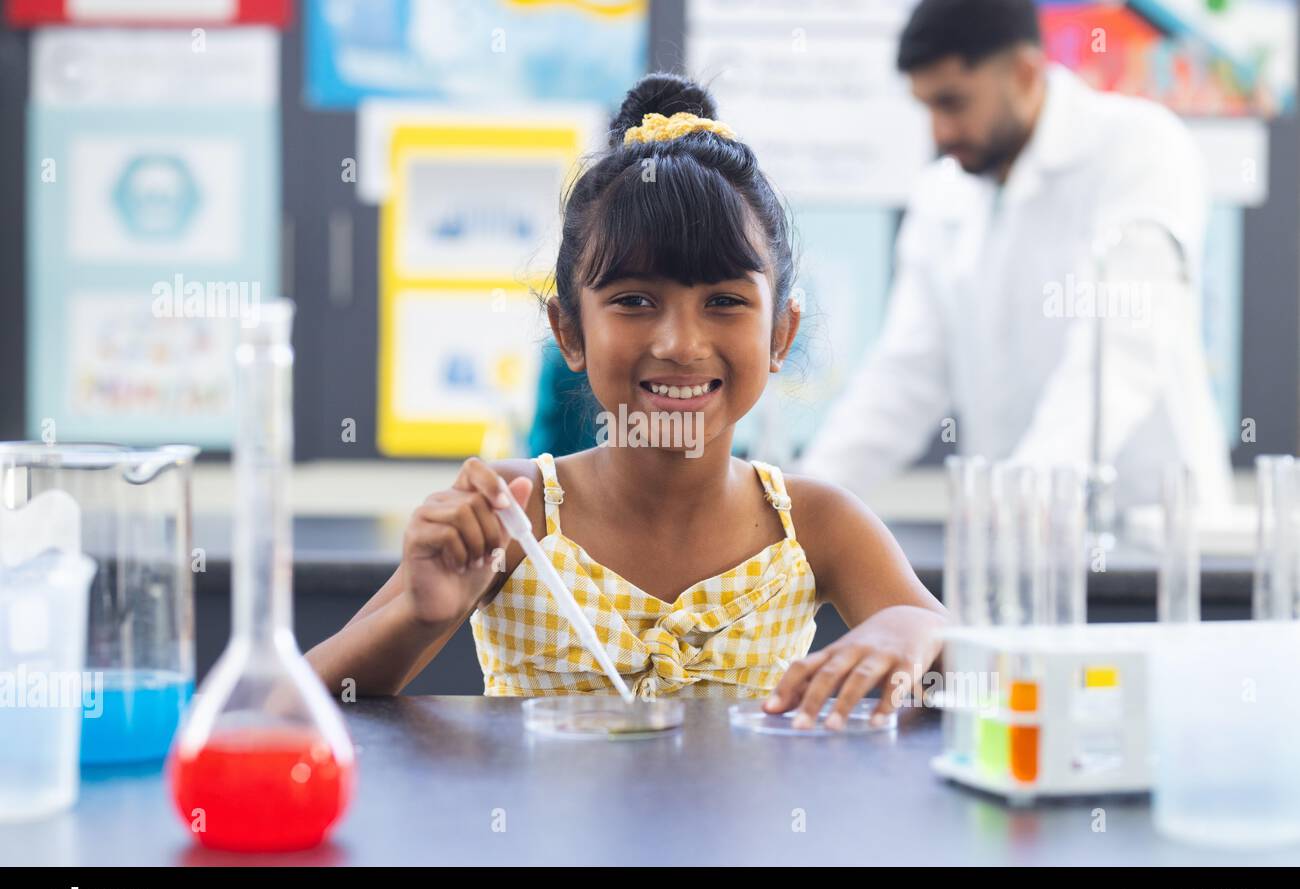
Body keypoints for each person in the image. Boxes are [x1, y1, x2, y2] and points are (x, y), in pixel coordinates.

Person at [308, 75, 947, 731]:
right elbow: (291, 705)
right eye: (635, 301)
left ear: (780, 333)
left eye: (725, 301)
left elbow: (1001, 681)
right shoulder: (513, 512)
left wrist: (915, 628)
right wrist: (421, 614)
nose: (680, 343)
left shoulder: (819, 523)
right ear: (570, 331)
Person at [795, 0, 1233, 511]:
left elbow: (1120, 351)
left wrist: (1022, 503)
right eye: (928, 108)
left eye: (953, 102)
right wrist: (798, 505)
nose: (939, 132)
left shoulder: (1139, 148)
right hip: (1021, 540)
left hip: (1155, 531)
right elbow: (904, 376)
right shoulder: (943, 195)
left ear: (1026, 73)